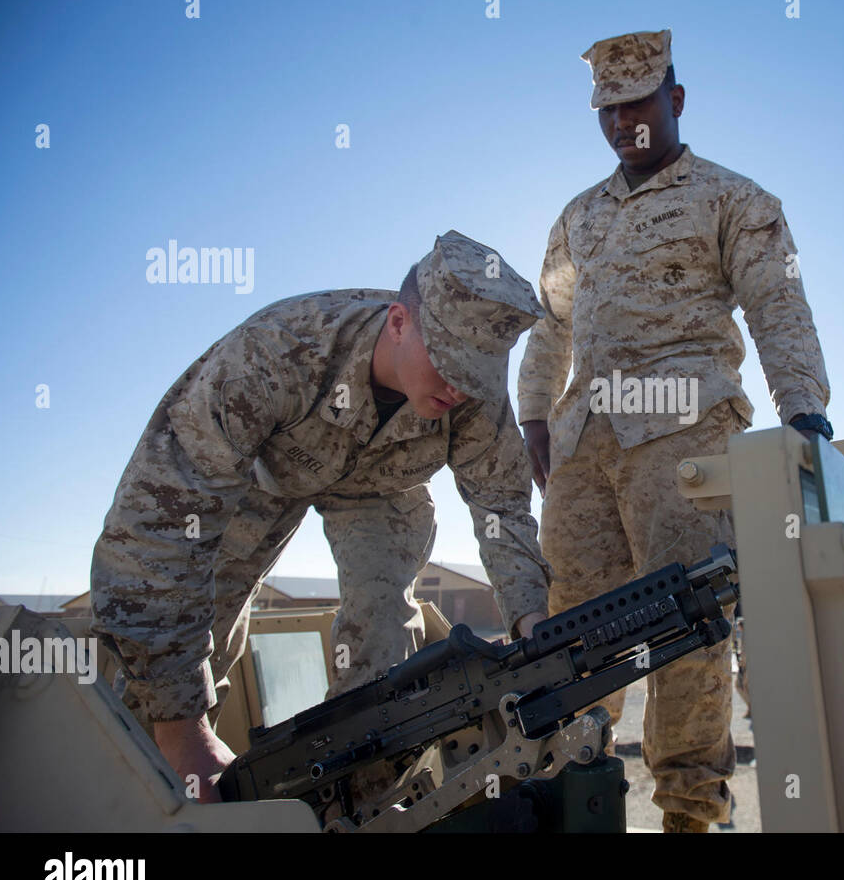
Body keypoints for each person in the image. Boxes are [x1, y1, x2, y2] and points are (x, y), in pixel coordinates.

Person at [91, 230, 550, 802]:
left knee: (383, 644)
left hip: (385, 490)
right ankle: (149, 797)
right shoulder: (276, 351)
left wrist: (531, 621)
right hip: (265, 475)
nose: (460, 388)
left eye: (476, 373)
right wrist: (181, 729)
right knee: (202, 612)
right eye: (450, 363)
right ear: (399, 321)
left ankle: (356, 806)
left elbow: (502, 507)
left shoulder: (473, 394)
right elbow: (157, 522)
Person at [518, 30, 832, 832]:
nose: (623, 123)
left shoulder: (734, 199)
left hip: (684, 428)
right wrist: (532, 412)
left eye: (637, 105)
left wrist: (804, 410)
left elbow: (777, 306)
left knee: (686, 624)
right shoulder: (578, 217)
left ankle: (691, 813)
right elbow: (553, 324)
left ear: (676, 101)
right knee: (571, 628)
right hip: (586, 440)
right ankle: (573, 793)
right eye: (608, 111)